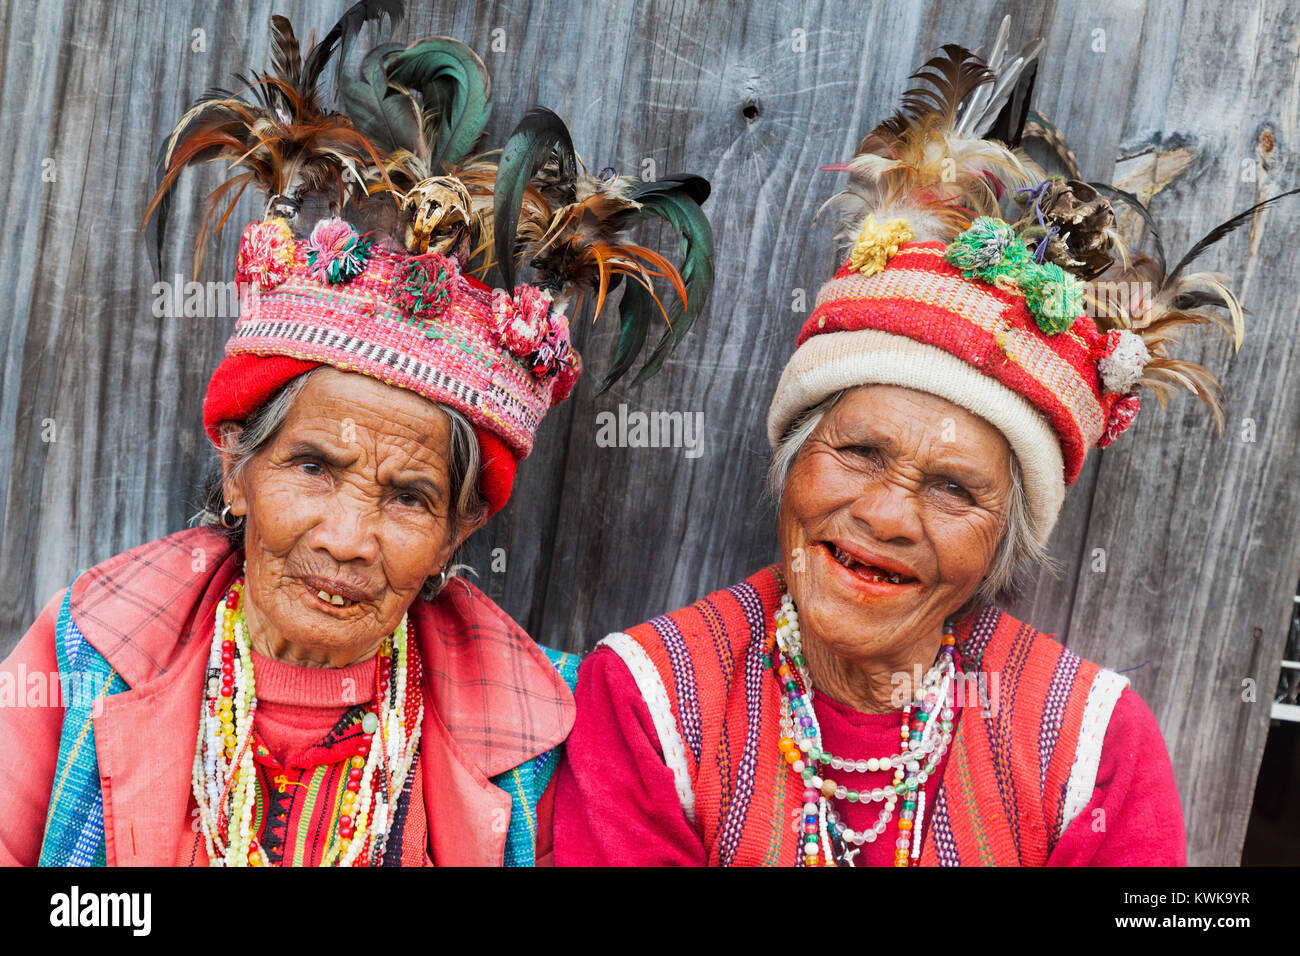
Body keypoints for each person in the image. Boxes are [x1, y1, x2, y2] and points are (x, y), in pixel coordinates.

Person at [554, 29, 1293, 866]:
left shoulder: (1091, 746)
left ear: (1007, 540)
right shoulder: (654, 695)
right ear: (792, 459)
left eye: (953, 489)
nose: (886, 514)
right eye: (859, 452)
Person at [0, 3, 712, 867]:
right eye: (312, 465)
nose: (346, 539)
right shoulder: (89, 651)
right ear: (235, 464)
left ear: (463, 527)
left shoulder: (539, 733)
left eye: (409, 497)